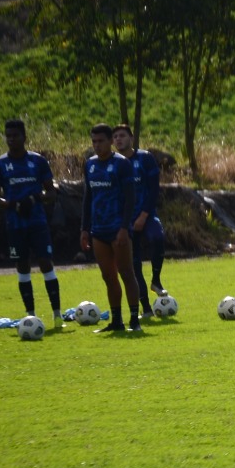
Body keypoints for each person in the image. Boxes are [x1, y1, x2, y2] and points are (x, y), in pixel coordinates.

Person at [0, 119, 62, 325]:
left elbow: (52, 192)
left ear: (24, 137)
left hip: (38, 222)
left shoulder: (38, 162)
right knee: (22, 266)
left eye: (15, 135)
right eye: (8, 136)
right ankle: (30, 315)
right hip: (15, 224)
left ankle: (57, 314)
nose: (11, 139)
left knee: (46, 263)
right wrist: (12, 205)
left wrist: (34, 198)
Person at [80, 123, 140, 333]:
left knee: (126, 272)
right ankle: (117, 321)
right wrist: (84, 229)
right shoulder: (90, 165)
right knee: (108, 276)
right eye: (94, 142)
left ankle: (134, 320)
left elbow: (130, 198)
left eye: (101, 141)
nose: (97, 145)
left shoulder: (122, 164)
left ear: (110, 142)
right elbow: (88, 198)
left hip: (118, 228)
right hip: (99, 230)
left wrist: (125, 227)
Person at [112, 124, 168, 316]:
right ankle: (146, 309)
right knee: (133, 265)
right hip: (125, 221)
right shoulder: (114, 164)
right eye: (116, 136)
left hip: (146, 214)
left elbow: (154, 190)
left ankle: (156, 280)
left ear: (131, 138)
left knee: (158, 238)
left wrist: (144, 215)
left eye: (122, 135)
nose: (118, 139)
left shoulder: (145, 158)